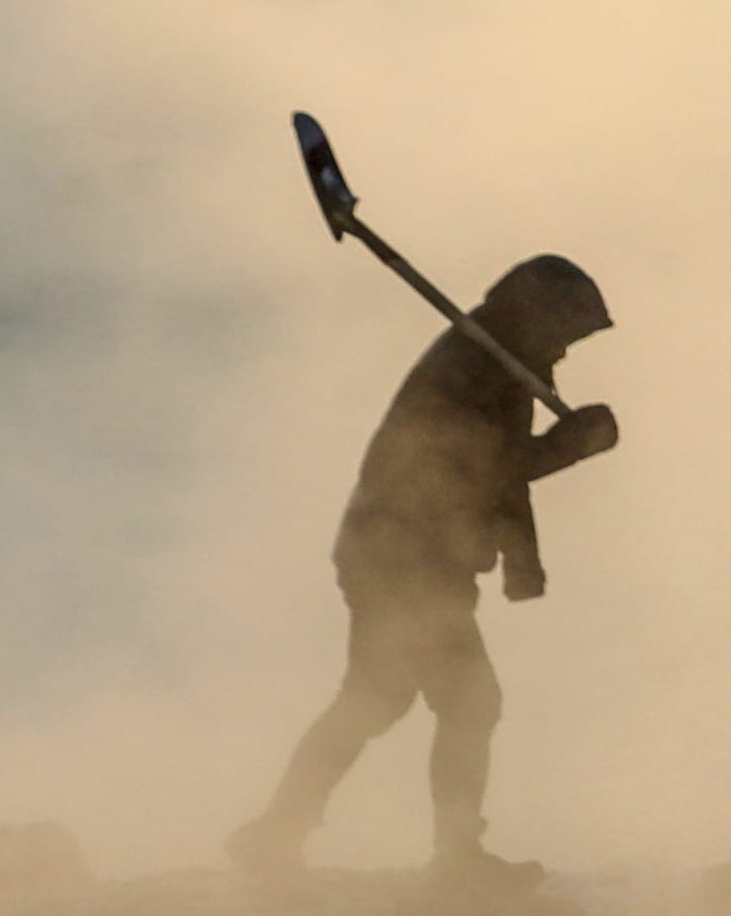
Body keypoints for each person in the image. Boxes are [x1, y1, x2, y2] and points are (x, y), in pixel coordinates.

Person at [230, 254, 624, 879]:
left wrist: (522, 560)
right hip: (406, 558)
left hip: (400, 553)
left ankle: (276, 834)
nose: (564, 352)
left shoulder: (498, 362)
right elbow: (480, 467)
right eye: (564, 335)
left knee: (376, 700)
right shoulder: (474, 365)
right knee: (469, 702)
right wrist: (570, 446)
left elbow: (498, 474)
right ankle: (455, 855)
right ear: (537, 319)